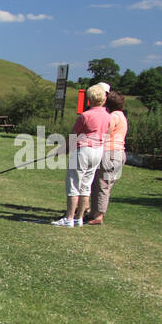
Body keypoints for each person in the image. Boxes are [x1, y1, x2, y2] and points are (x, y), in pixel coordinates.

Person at [53, 84, 110, 227]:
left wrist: (61, 150)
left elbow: (73, 136)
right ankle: (79, 218)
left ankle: (69, 218)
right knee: (86, 185)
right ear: (103, 99)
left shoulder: (85, 116)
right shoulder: (108, 116)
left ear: (89, 100)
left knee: (73, 184)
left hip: (83, 151)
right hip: (98, 151)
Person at [85, 90, 128, 225]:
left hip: (110, 152)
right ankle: (94, 212)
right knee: (104, 184)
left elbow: (106, 133)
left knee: (102, 184)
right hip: (119, 153)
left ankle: (98, 216)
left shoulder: (113, 117)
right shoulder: (122, 115)